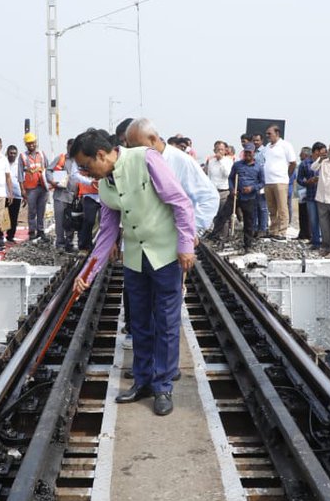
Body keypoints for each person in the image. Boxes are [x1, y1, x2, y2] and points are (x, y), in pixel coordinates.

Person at [71, 128, 195, 417]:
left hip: (165, 254)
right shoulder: (104, 186)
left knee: (165, 321)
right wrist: (87, 274)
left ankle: (162, 385)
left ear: (101, 155)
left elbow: (180, 202)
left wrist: (186, 243)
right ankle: (143, 381)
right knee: (138, 321)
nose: (89, 174)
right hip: (136, 259)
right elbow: (107, 233)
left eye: (88, 166)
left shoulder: (145, 159)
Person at [124, 118, 219, 233]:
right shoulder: (137, 162)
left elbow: (209, 198)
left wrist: (191, 231)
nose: (133, 151)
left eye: (137, 146)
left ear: (153, 139)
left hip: (175, 238)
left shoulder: (181, 161)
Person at [225, 143, 264, 249]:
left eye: (249, 152)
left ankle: (248, 244)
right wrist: (232, 189)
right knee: (222, 215)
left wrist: (252, 188)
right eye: (245, 152)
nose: (247, 154)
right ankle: (215, 237)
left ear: (253, 153)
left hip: (249, 198)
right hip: (236, 196)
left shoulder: (259, 168)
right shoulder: (237, 165)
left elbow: (262, 183)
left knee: (249, 221)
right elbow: (230, 178)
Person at [261, 124, 297, 239]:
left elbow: (293, 163)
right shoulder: (267, 146)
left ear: (277, 133)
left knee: (282, 207)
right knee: (272, 208)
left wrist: (286, 175)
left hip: (280, 181)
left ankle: (282, 231)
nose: (267, 136)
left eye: (269, 134)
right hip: (268, 181)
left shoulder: (285, 145)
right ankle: (273, 231)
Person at [19, 132, 50, 241]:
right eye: (28, 143)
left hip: (43, 186)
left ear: (36, 143)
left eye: (32, 143)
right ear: (26, 144)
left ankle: (40, 231)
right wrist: (22, 189)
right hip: (31, 188)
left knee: (41, 210)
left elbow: (48, 168)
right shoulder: (23, 156)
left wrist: (50, 183)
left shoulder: (41, 154)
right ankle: (32, 231)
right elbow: (20, 174)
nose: (31, 145)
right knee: (32, 210)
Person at [296, 143, 326, 247]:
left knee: (323, 219)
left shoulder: (325, 162)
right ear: (316, 151)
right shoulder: (304, 164)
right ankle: (316, 241)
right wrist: (307, 182)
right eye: (323, 151)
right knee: (313, 219)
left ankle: (323, 241)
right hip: (311, 195)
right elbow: (299, 179)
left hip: (323, 196)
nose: (325, 154)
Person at [49, 140, 76, 252]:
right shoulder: (61, 159)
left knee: (71, 220)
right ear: (67, 147)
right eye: (69, 147)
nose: (71, 149)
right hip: (60, 195)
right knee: (59, 220)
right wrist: (52, 181)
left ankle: (69, 242)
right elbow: (49, 171)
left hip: (74, 196)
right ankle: (60, 243)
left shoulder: (79, 160)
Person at [5, 144, 24, 245]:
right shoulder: (3, 162)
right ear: (7, 153)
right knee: (3, 216)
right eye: (11, 153)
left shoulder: (19, 165)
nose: (12, 155)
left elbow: (22, 179)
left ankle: (10, 236)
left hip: (16, 194)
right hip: (4, 194)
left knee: (13, 216)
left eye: (14, 153)